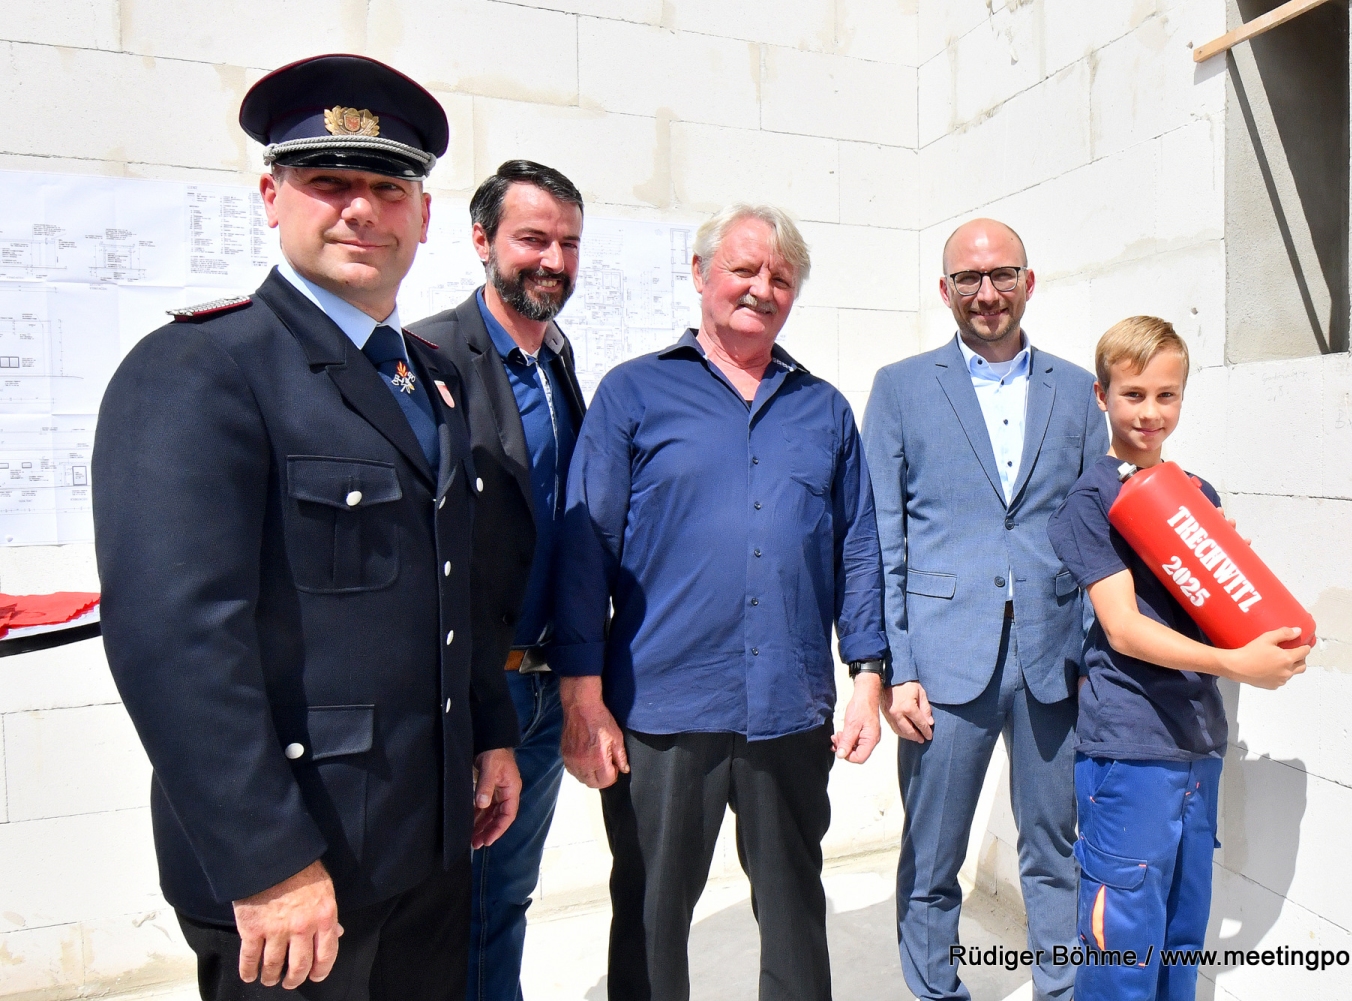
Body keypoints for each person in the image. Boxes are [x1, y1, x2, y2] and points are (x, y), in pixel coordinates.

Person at [92, 54, 522, 1001]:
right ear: (271, 197)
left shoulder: (432, 378)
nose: (361, 210)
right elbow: (176, 642)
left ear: (423, 215)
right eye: (328, 182)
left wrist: (489, 735)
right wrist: (270, 863)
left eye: (388, 187)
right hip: (298, 867)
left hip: (425, 841)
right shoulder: (202, 368)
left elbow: (455, 584)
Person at [550, 204, 888, 1001]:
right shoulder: (634, 393)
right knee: (650, 912)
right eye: (744, 269)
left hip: (789, 708)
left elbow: (858, 548)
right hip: (663, 708)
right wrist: (580, 694)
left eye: (781, 277)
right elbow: (584, 550)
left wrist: (868, 675)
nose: (762, 287)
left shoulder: (824, 409)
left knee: (796, 905)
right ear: (701, 274)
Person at [862, 218, 1108, 1001]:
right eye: (968, 278)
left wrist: (1093, 652)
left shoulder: (1076, 391)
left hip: (1051, 659)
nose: (987, 292)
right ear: (946, 291)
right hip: (941, 663)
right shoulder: (901, 387)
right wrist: (897, 668)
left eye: (1002, 274)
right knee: (933, 855)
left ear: (1028, 282)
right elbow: (882, 538)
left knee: (1055, 849)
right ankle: (938, 990)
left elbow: (1095, 531)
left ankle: (1061, 990)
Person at [1046, 316, 1308, 1000]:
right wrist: (1241, 666)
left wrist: (1266, 631)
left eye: (1167, 395)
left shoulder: (1197, 494)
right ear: (1101, 396)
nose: (1150, 412)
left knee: (1181, 941)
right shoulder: (1089, 503)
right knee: (1122, 950)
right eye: (1133, 394)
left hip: (1198, 744)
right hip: (1130, 749)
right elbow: (1124, 628)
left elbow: (1223, 607)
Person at [411, 159, 587, 1001]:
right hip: (481, 690)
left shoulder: (557, 357)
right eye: (532, 239)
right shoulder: (429, 357)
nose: (553, 259)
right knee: (461, 899)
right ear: (481, 239)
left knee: (506, 893)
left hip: (548, 683)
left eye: (569, 243)